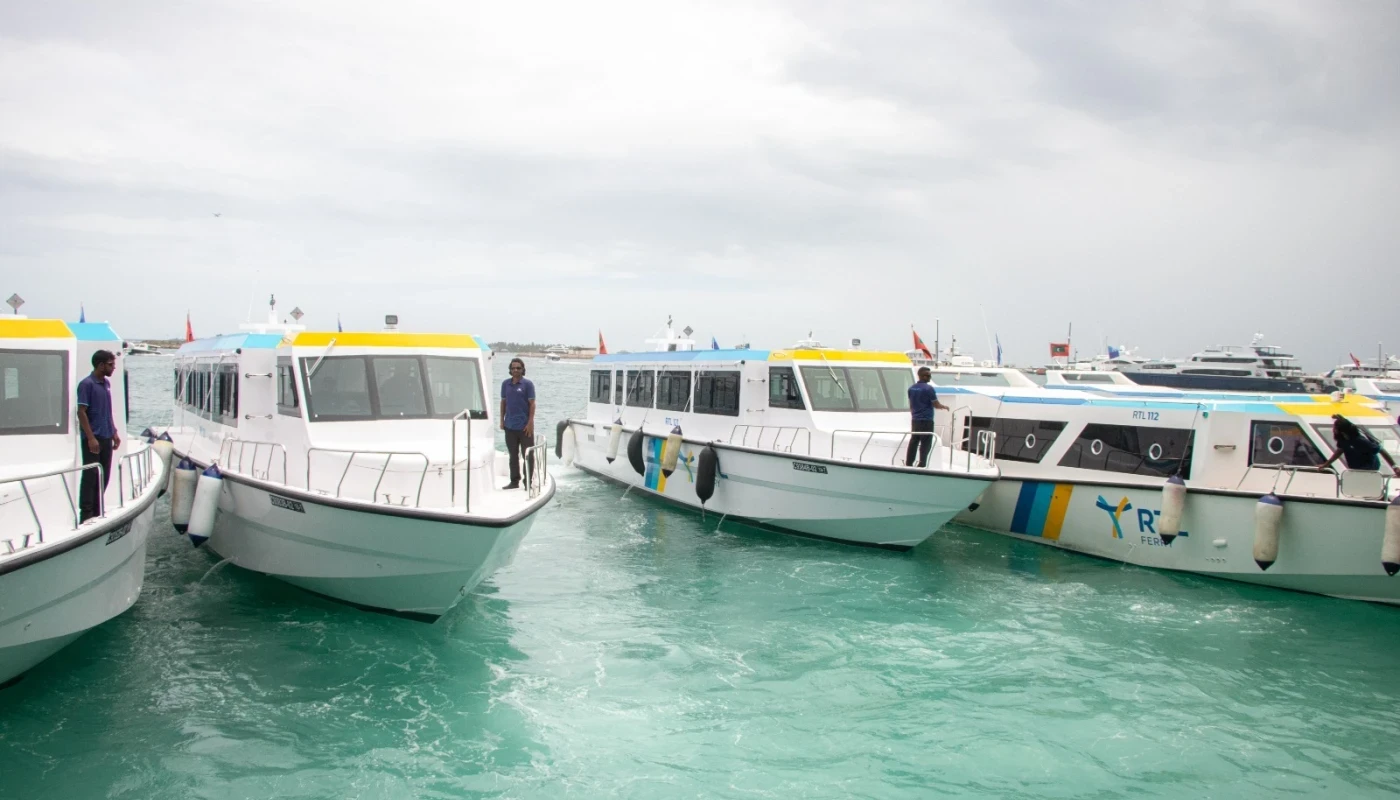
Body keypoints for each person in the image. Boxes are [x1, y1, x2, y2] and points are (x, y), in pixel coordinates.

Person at [77, 349, 121, 521]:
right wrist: (90, 438)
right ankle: (86, 514)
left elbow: (107, 411)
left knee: (104, 474)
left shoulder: (106, 384)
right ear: (101, 365)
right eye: (111, 365)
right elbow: (81, 412)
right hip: (93, 438)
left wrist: (114, 432)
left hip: (105, 436)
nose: (114, 368)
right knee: (90, 476)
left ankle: (97, 509)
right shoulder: (86, 384)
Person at [1318, 414, 1400, 476]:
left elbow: (1381, 450)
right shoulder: (1343, 440)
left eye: (1334, 428)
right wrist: (1326, 464)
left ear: (1341, 431)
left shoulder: (1360, 441)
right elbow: (1339, 451)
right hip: (1356, 469)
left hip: (1369, 470)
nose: (1333, 429)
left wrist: (1394, 467)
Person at [500, 358, 536, 489]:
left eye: (518, 368)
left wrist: (530, 423)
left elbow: (532, 404)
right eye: (513, 368)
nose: (515, 370)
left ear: (523, 370)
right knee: (513, 455)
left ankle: (528, 483)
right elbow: (503, 402)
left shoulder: (528, 384)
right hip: (509, 426)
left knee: (528, 455)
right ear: (510, 370)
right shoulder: (505, 384)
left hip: (525, 427)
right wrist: (501, 420)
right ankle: (514, 481)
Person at [906, 366, 948, 468]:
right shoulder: (929, 389)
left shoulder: (911, 388)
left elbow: (911, 404)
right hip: (926, 420)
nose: (930, 377)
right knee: (926, 443)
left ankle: (909, 463)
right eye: (928, 375)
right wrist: (944, 407)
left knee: (914, 441)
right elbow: (936, 404)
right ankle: (922, 464)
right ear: (923, 376)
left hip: (915, 419)